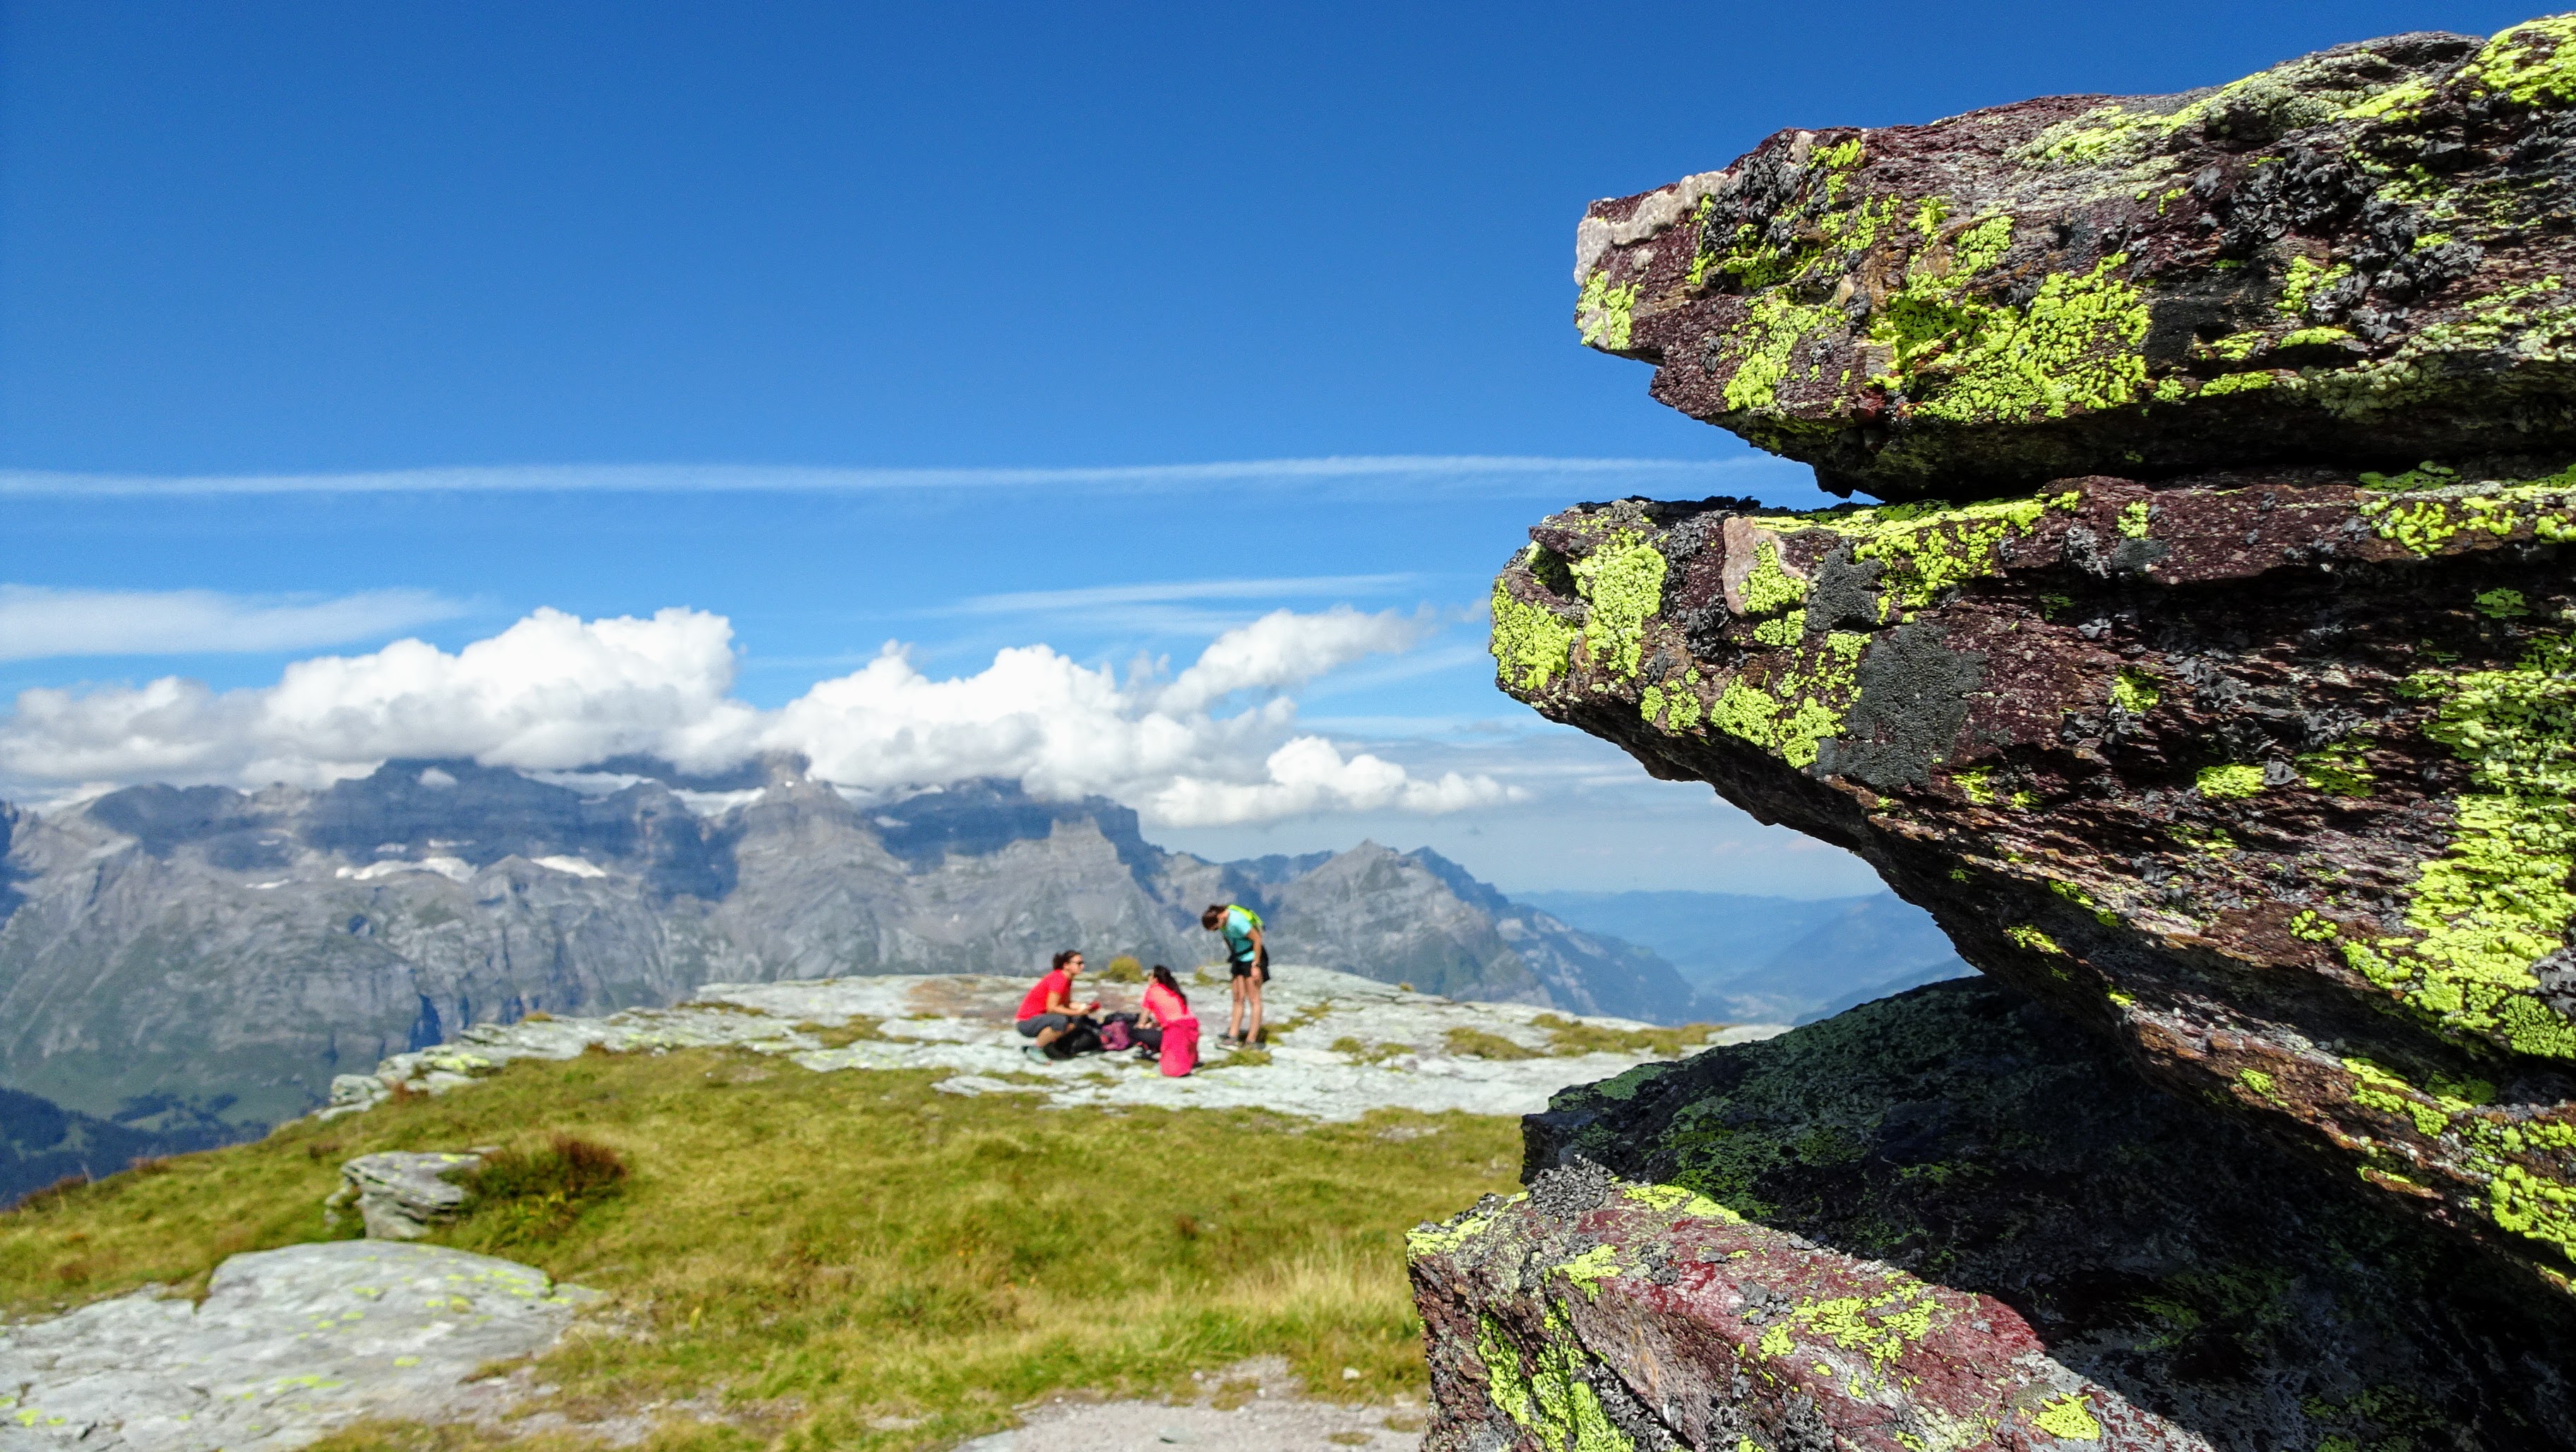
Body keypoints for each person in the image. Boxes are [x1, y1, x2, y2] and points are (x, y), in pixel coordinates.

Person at [1200, 903, 1268, 1047]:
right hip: (1239, 958)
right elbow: (1228, 938)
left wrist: (1256, 965)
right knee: (1238, 997)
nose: (1217, 930)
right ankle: (1233, 1035)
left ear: (1219, 918)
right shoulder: (1223, 923)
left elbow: (1257, 939)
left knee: (1254, 999)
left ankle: (1252, 1040)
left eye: (1215, 928)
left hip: (1251, 958)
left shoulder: (1237, 921)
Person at [1014, 949, 1099, 1054]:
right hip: (1027, 1022)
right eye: (1079, 963)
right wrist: (1077, 1012)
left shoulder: (1067, 980)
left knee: (1076, 1020)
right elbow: (1052, 1008)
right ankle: (1036, 1049)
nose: (1082, 966)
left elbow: (1067, 1004)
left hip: (1040, 1019)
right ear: (1066, 965)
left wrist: (1084, 1007)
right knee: (1060, 1021)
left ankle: (1050, 1044)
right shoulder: (1059, 979)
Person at [1138, 963, 1198, 1076]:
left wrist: (1141, 1028)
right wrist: (1154, 1025)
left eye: (1150, 975)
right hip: (1192, 1026)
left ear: (1155, 979)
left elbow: (1143, 1019)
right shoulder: (1173, 990)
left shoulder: (1152, 991)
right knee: (1186, 1058)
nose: (1148, 977)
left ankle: (1154, 1049)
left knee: (1171, 1070)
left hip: (1175, 1029)